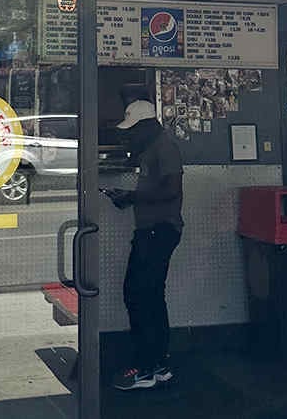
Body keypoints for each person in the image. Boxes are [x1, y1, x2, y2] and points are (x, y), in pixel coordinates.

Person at [103, 99, 183, 391]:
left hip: (157, 231)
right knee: (150, 296)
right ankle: (159, 364)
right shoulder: (152, 147)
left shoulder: (164, 147)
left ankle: (145, 368)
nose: (131, 134)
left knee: (137, 296)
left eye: (134, 129)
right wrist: (128, 197)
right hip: (153, 230)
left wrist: (131, 197)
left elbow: (172, 189)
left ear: (148, 125)